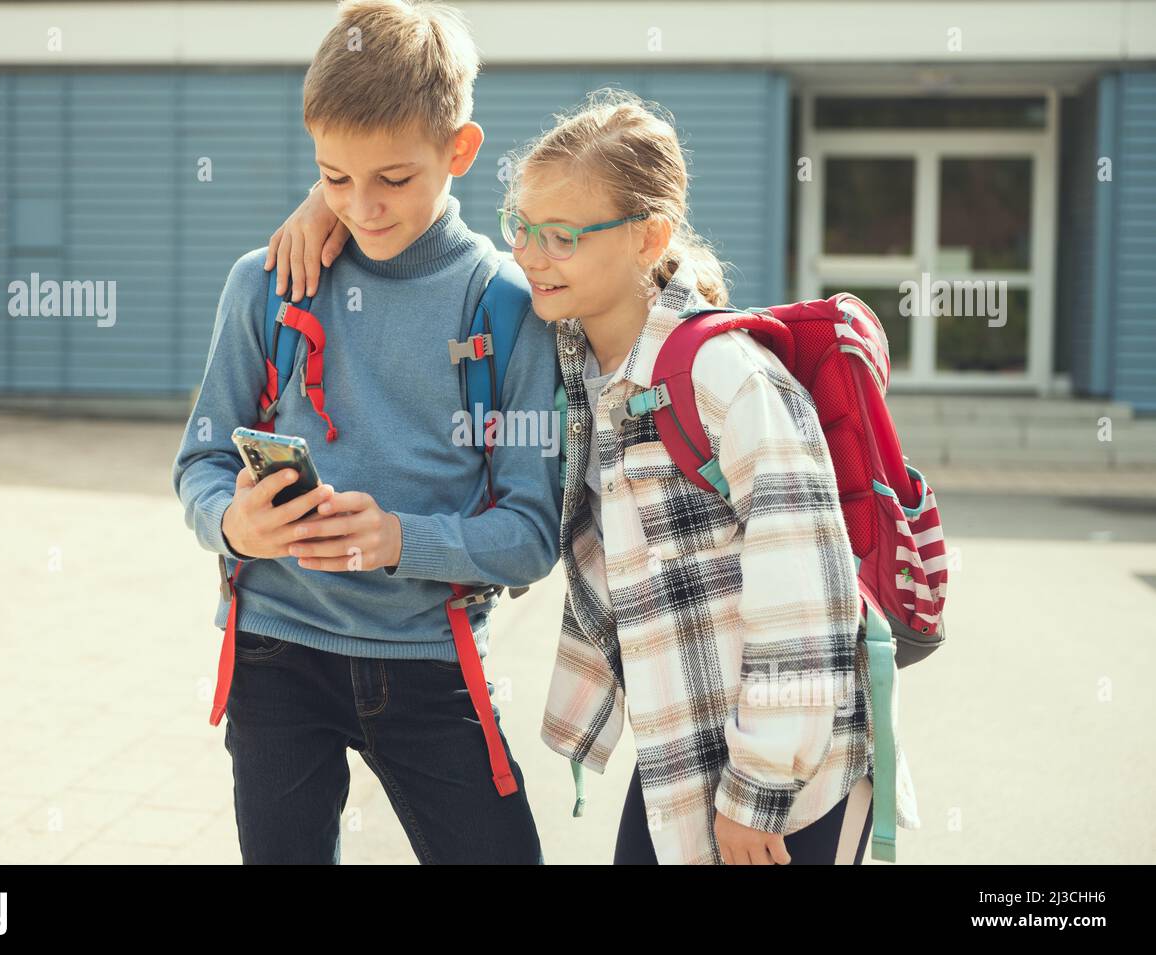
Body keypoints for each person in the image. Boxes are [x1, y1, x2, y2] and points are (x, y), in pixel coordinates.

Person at [271, 87, 922, 865]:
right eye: (524, 227)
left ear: (650, 237)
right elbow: (417, 202)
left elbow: (807, 605)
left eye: (564, 236)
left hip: (789, 782)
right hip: (678, 758)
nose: (532, 255)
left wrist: (758, 794)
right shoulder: (578, 359)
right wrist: (327, 204)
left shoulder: (731, 380)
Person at [172, 0, 562, 864]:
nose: (362, 207)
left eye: (393, 178)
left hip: (431, 658)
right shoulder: (265, 282)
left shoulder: (509, 308)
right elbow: (199, 462)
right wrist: (232, 522)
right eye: (333, 178)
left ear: (459, 151)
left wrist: (399, 539)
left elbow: (533, 535)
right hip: (275, 649)